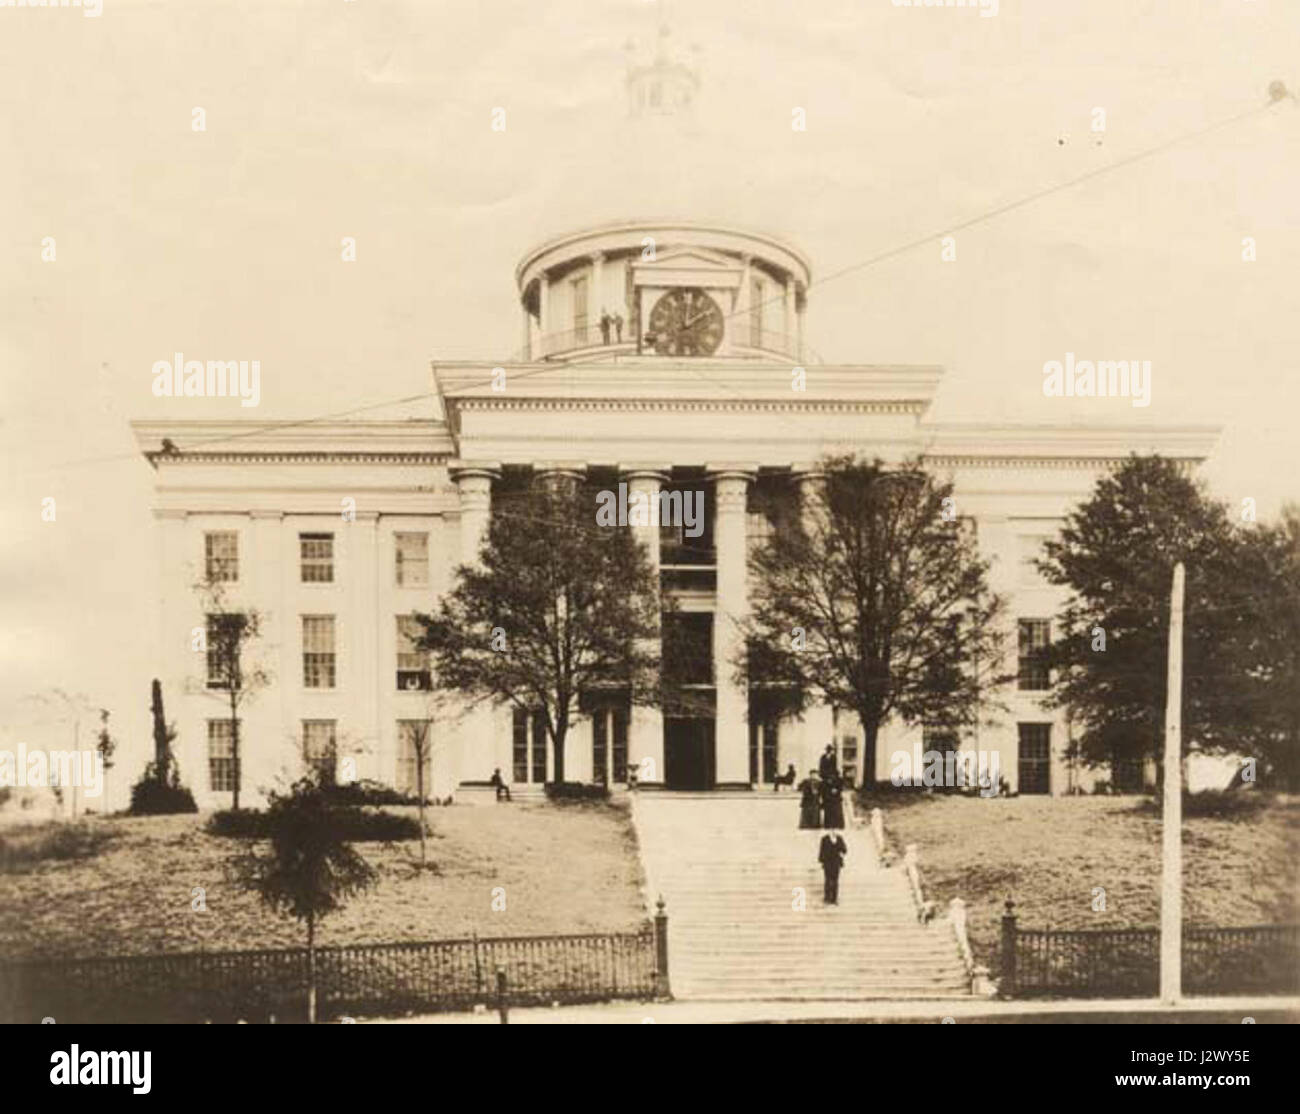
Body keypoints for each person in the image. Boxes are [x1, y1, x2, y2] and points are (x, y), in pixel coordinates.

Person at [818, 832, 848, 904]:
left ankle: (834, 898)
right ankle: (827, 897)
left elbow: (844, 850)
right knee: (827, 880)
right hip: (827, 862)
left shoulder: (839, 838)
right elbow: (822, 850)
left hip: (836, 862)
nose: (833, 830)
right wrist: (822, 860)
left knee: (835, 881)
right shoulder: (824, 839)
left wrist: (842, 853)